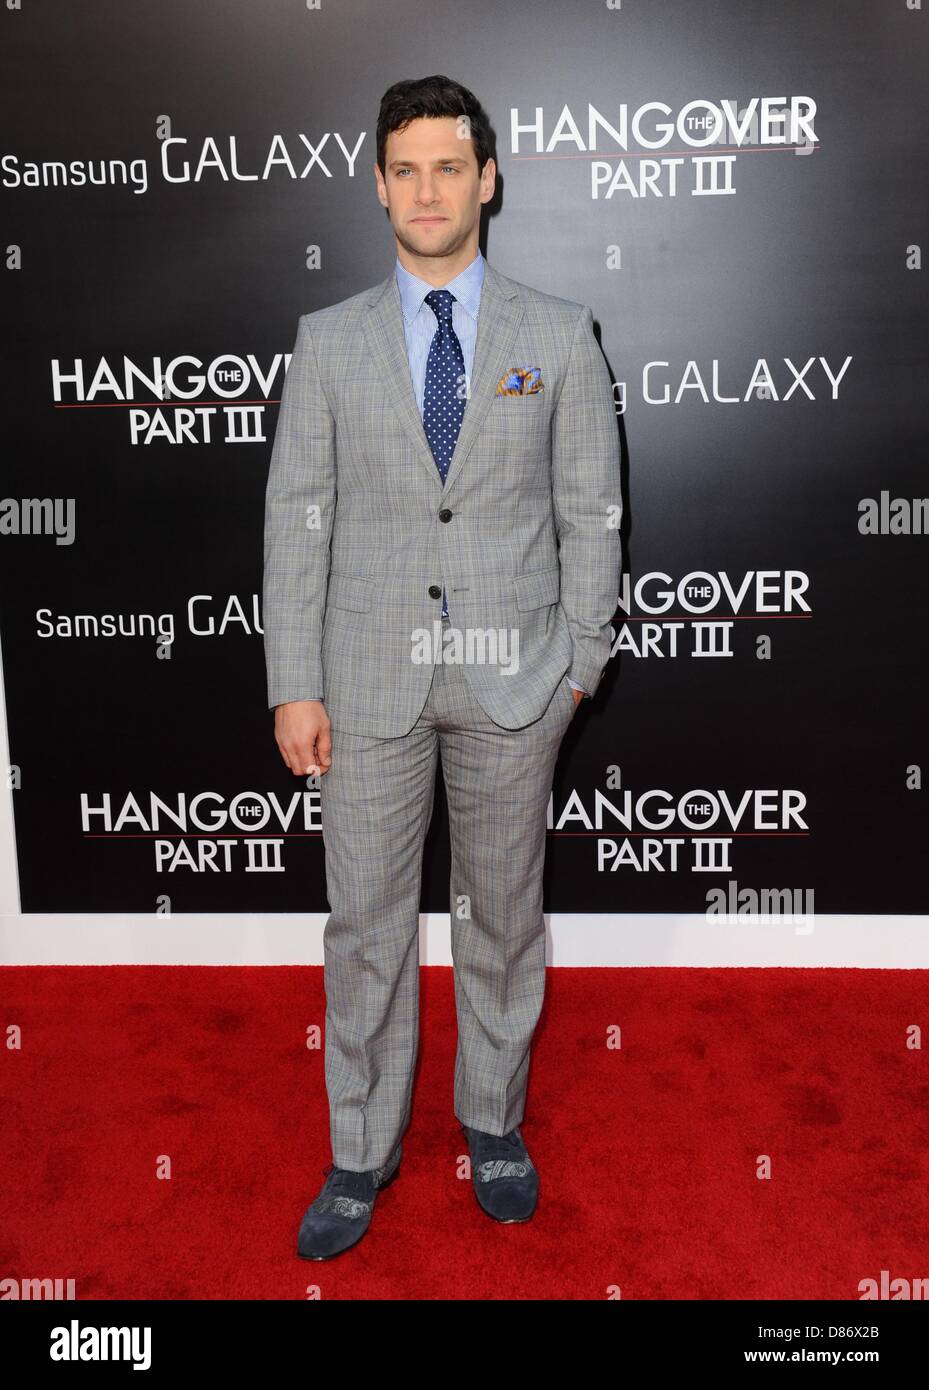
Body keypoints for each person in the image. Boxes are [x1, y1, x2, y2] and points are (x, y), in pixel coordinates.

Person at [262, 74, 622, 1260]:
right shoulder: (325, 344)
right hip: (363, 681)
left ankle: (494, 1124)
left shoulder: (558, 333)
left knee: (503, 917)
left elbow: (590, 513)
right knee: (363, 926)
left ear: (487, 180)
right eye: (404, 168)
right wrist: (291, 679)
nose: (427, 189)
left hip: (515, 681)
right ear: (377, 185)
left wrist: (576, 664)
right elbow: (297, 516)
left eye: (448, 166)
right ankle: (359, 1147)